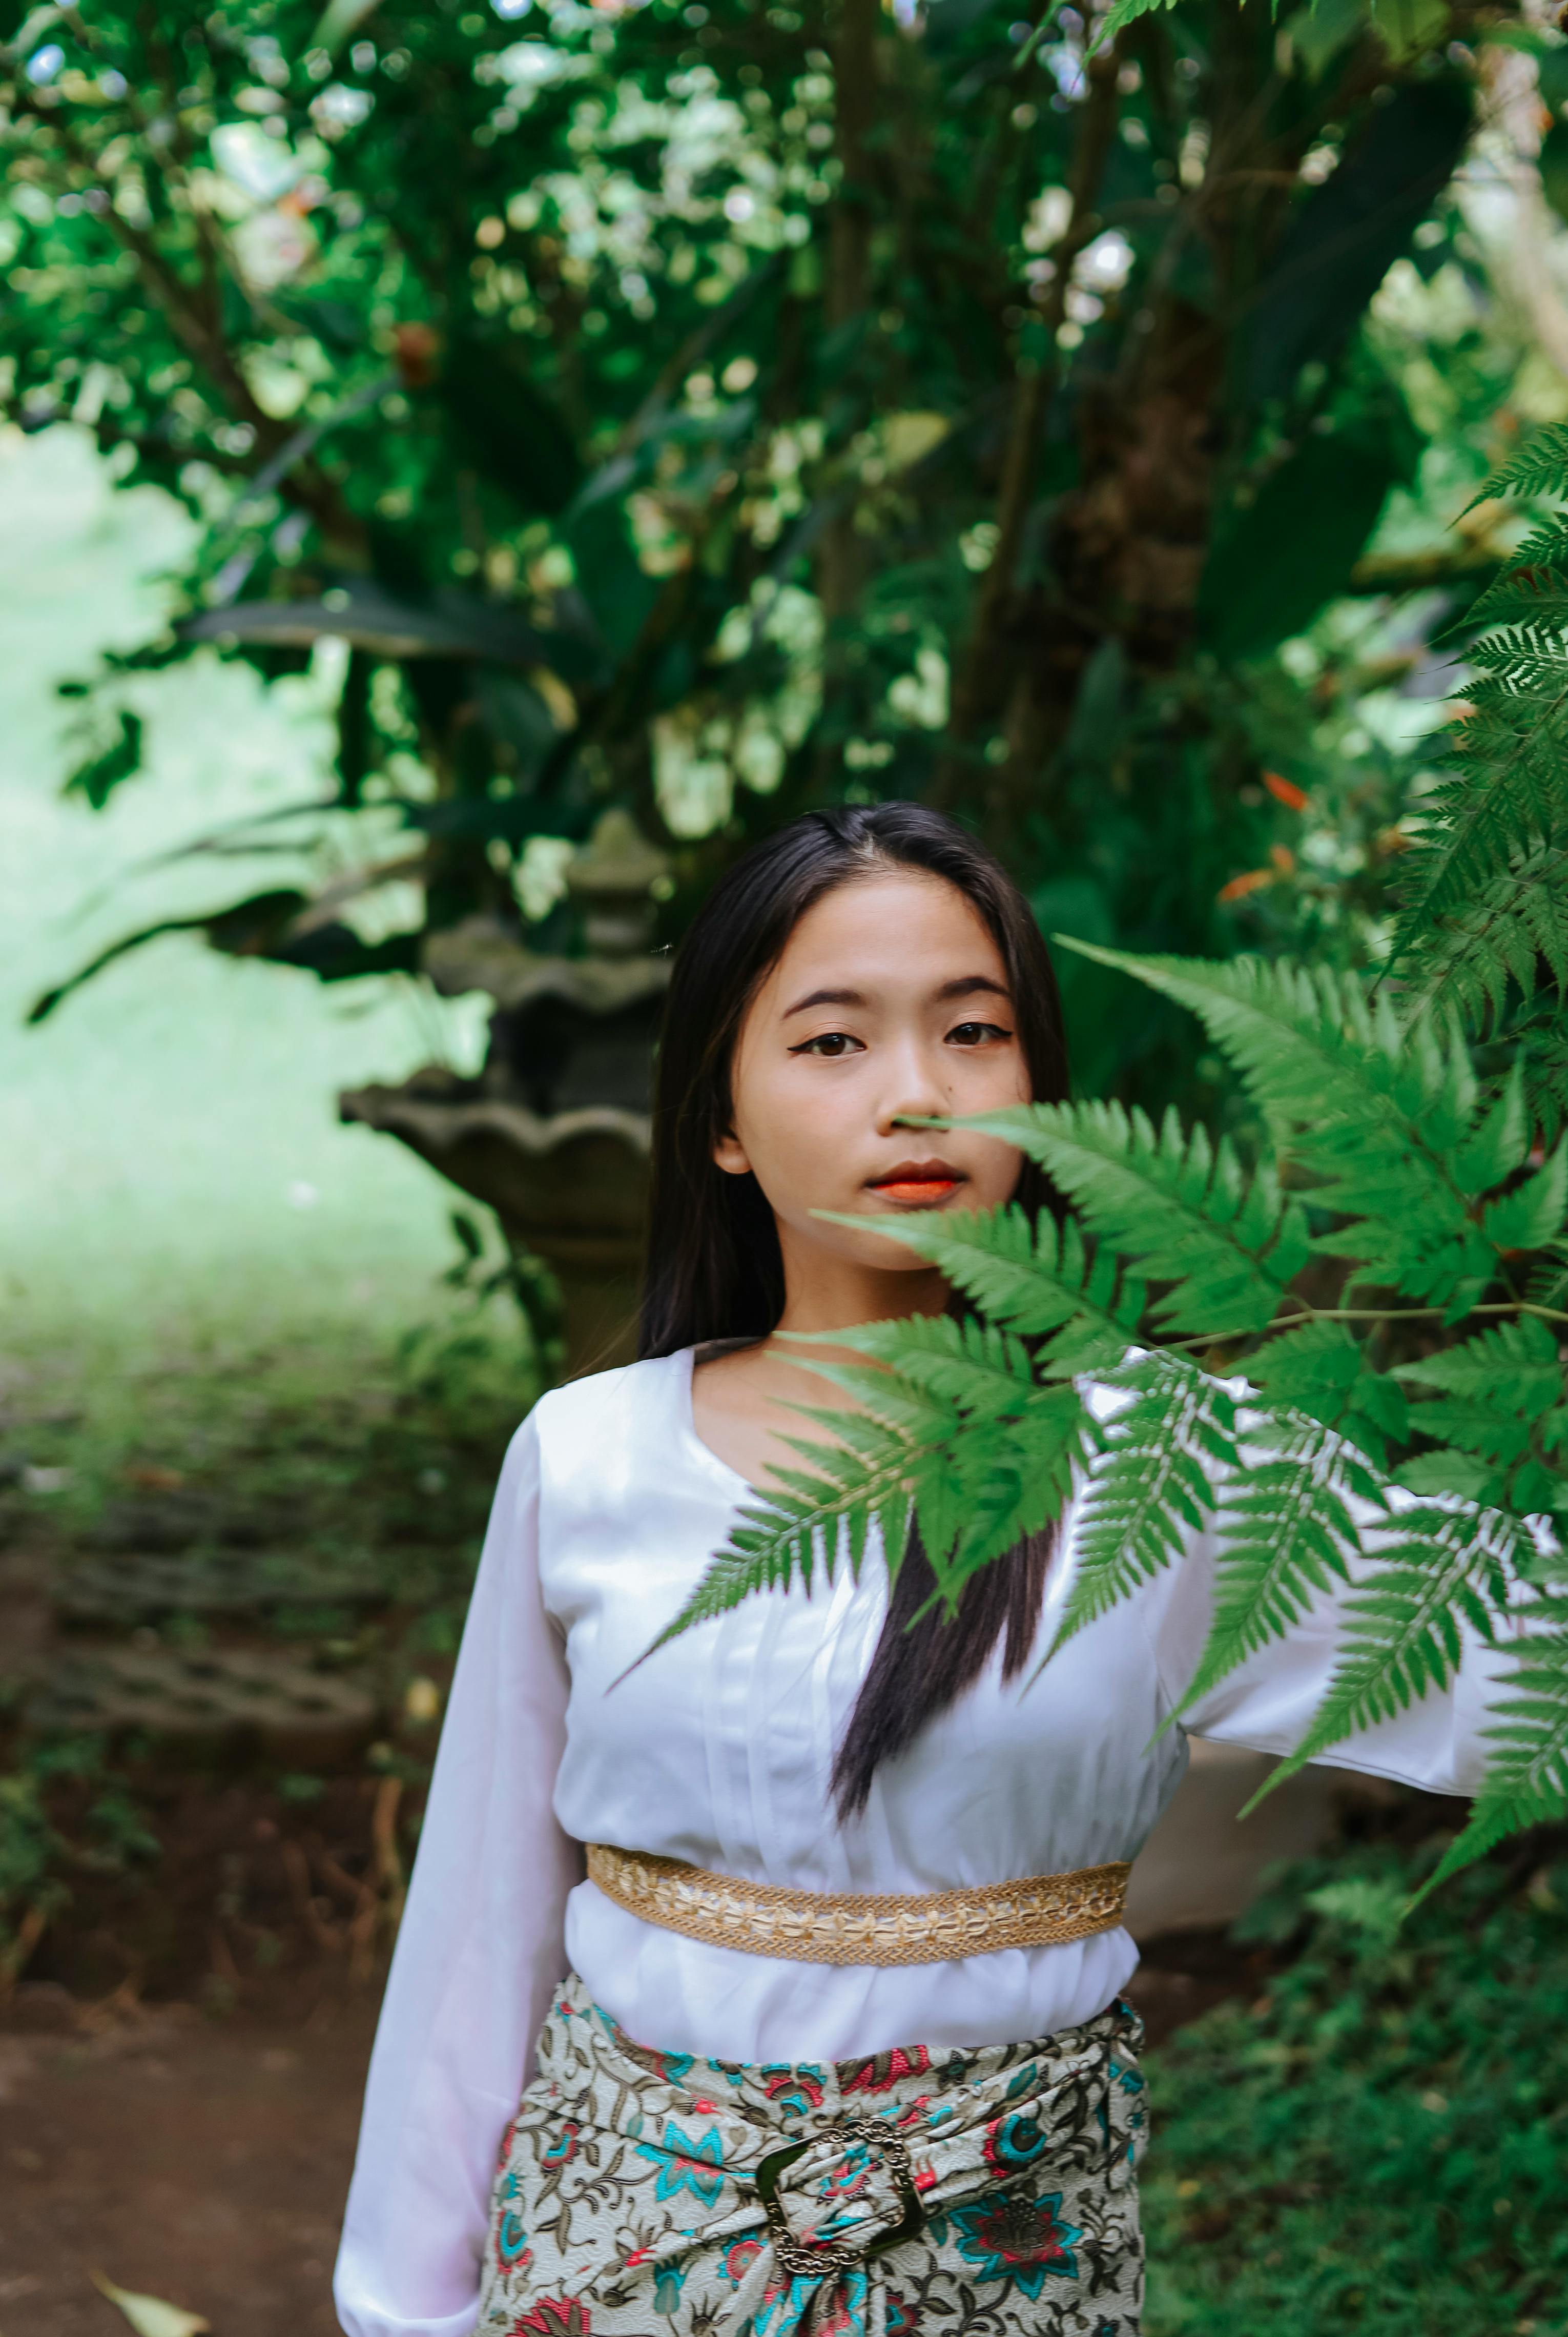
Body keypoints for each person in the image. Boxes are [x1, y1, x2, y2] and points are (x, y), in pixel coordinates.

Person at [334, 804, 1505, 2337]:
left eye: (973, 1032)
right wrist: (404, 2305)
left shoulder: (1171, 1459)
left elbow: (1516, 1654)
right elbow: (483, 1919)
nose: (917, 1095)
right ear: (723, 1117)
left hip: (1010, 2257)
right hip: (614, 2248)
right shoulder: (591, 1458)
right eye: (832, 1042)